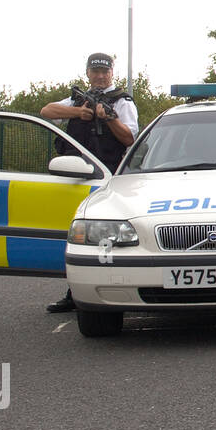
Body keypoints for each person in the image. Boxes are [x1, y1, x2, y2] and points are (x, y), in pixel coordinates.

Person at [40, 53, 139, 313]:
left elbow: (130, 138)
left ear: (112, 73)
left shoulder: (122, 101)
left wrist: (108, 118)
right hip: (74, 177)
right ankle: (74, 292)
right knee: (75, 236)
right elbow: (46, 111)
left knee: (105, 237)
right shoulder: (76, 99)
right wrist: (79, 112)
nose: (100, 76)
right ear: (87, 73)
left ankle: (112, 289)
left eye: (104, 72)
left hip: (107, 177)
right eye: (95, 71)